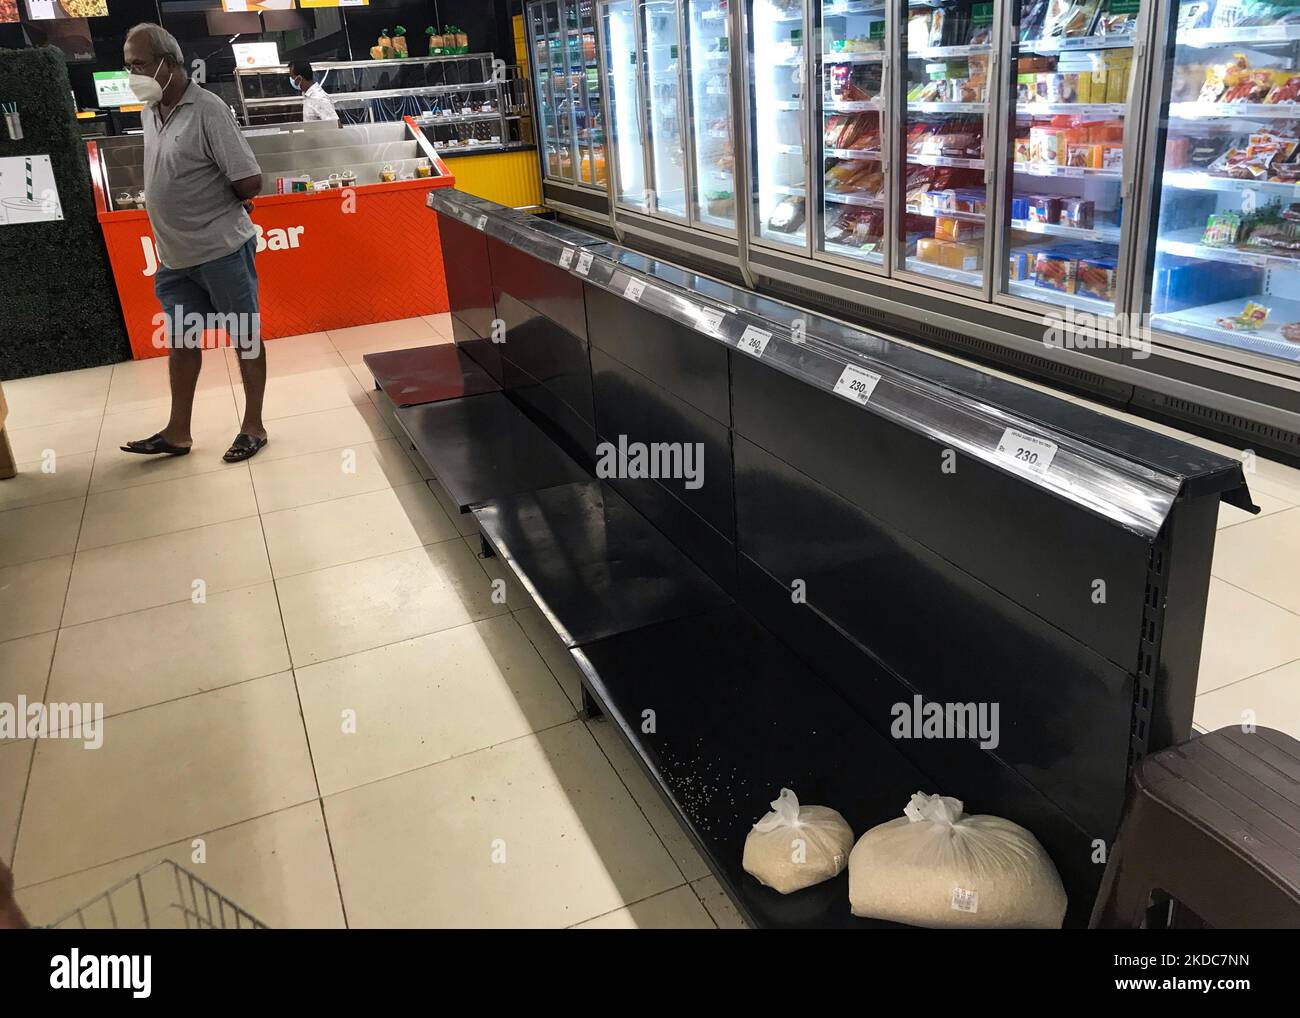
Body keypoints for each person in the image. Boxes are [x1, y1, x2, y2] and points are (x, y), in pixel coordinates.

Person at [119, 22, 269, 463]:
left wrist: (228, 202)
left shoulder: (208, 109)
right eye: (128, 65)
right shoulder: (151, 111)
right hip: (174, 258)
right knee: (182, 342)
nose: (133, 74)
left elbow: (249, 180)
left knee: (245, 337)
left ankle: (253, 426)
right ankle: (177, 432)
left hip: (221, 252)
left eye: (139, 65)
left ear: (168, 63)